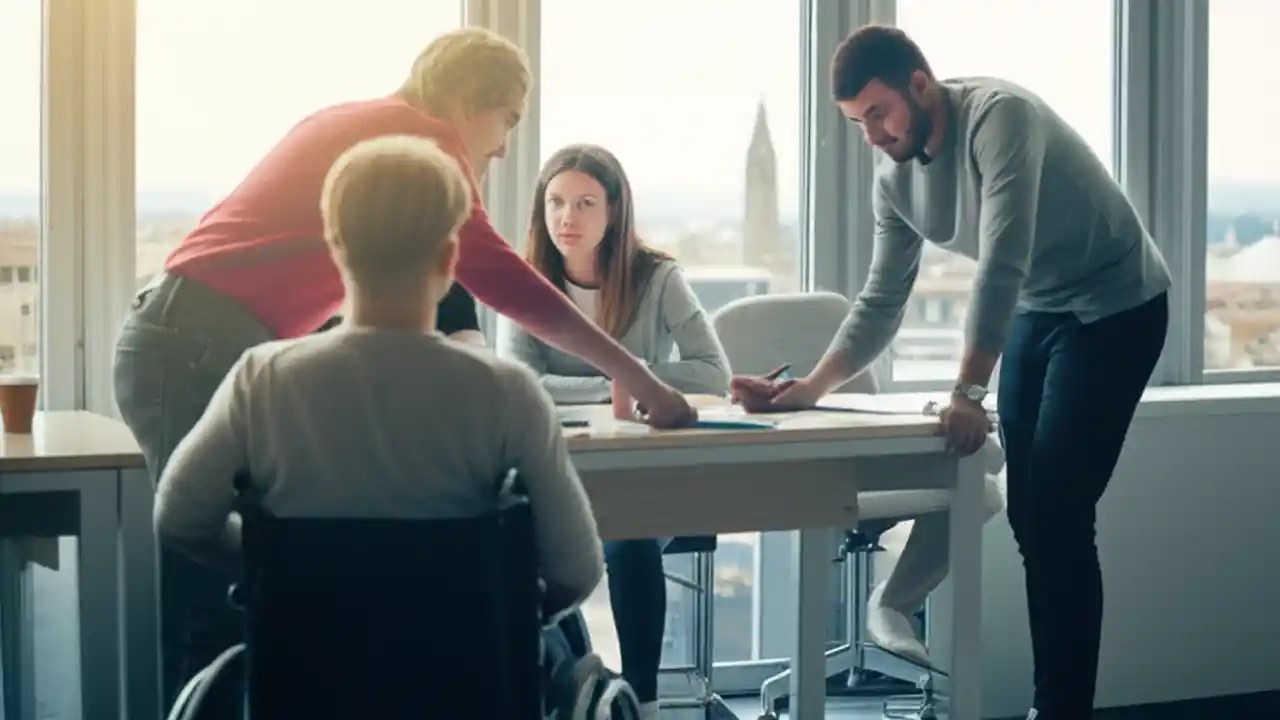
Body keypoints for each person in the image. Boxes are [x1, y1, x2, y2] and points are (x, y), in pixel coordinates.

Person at [115, 27, 691, 707]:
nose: (504, 146)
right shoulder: (419, 144)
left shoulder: (357, 126)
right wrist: (644, 381)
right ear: (465, 99)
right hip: (193, 341)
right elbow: (514, 286)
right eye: (506, 119)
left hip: (185, 335)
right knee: (208, 615)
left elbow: (187, 519)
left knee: (229, 613)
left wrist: (303, 573)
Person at [733, 25, 1170, 720]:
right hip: (1039, 307)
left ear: (920, 84)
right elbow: (881, 301)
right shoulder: (894, 178)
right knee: (1030, 516)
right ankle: (1055, 704)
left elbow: (1002, 261)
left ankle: (1061, 710)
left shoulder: (1001, 119)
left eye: (879, 113)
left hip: (1115, 306)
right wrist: (808, 388)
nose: (872, 135)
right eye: (857, 123)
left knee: (1057, 513)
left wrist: (968, 391)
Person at [153, 132, 604, 685]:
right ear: (449, 259)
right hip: (461, 682)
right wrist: (508, 604)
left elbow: (179, 518)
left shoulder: (263, 381)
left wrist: (273, 570)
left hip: (310, 682)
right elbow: (577, 569)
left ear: (335, 247)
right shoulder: (506, 393)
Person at [502, 144, 730, 718]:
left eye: (585, 203)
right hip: (563, 475)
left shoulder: (658, 278)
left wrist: (638, 378)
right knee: (519, 546)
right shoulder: (525, 282)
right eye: (556, 202)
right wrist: (620, 381)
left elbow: (713, 372)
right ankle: (559, 696)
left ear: (614, 211)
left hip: (648, 473)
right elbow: (522, 381)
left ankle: (642, 704)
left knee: (630, 541)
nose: (567, 218)